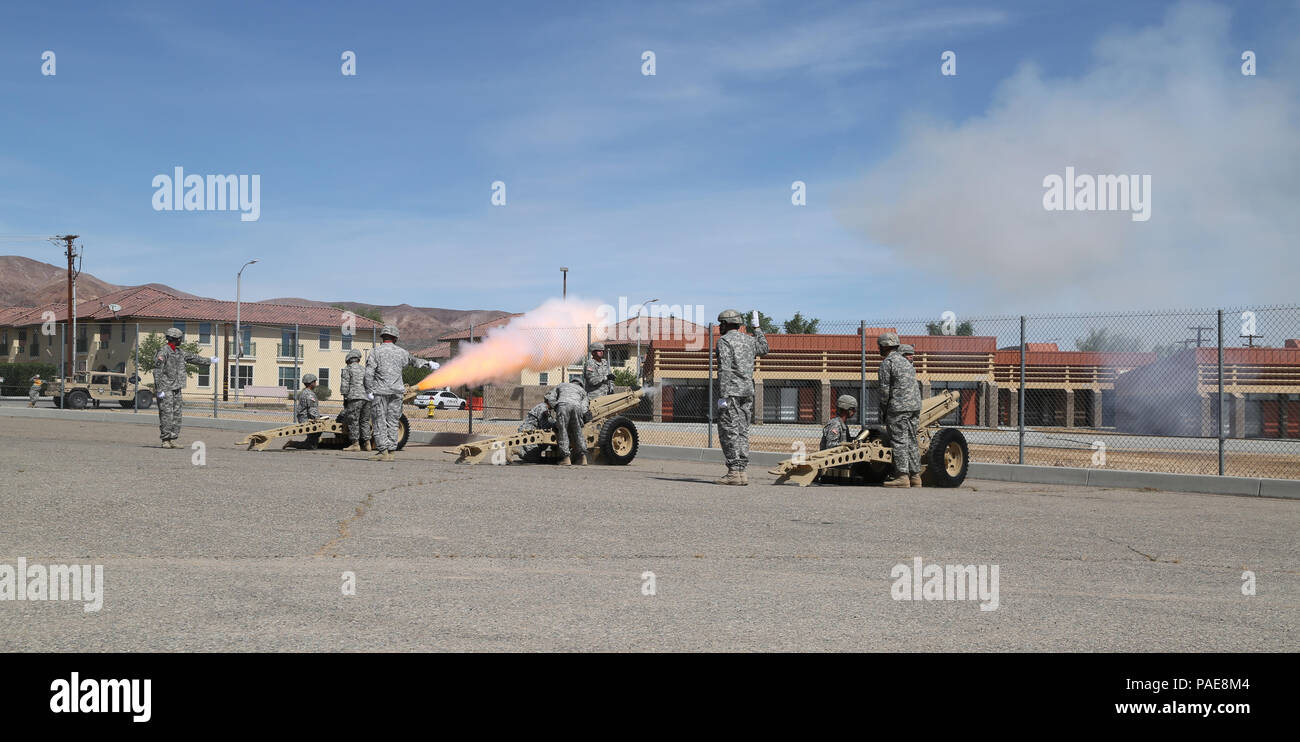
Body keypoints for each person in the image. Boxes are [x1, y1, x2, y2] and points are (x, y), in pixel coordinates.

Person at [364, 324, 435, 462]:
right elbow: (415, 362)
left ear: (383, 336)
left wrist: (368, 390)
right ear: (395, 338)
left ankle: (382, 451)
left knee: (379, 421)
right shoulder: (402, 352)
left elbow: (368, 373)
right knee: (393, 421)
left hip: (381, 392)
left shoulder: (375, 352)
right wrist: (429, 364)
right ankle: (391, 452)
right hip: (397, 392)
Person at [714, 309, 770, 485]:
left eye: (721, 323)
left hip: (730, 393)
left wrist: (722, 397)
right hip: (747, 393)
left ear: (727, 324)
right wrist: (757, 328)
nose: (720, 326)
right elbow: (764, 349)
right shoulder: (749, 340)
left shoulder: (724, 341)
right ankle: (741, 472)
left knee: (728, 431)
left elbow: (725, 369)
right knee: (742, 431)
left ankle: (733, 473)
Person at [152, 327, 218, 449]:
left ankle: (173, 438)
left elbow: (195, 358)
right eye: (179, 339)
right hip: (165, 388)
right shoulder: (163, 352)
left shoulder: (180, 352)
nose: (180, 341)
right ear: (174, 339)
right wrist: (159, 389)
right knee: (166, 414)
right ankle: (165, 439)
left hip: (177, 387)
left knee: (177, 414)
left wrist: (210, 360)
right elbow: (157, 371)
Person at [877, 332, 922, 487]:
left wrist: (883, 409)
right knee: (912, 440)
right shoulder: (906, 362)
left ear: (884, 346)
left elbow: (884, 391)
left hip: (898, 408)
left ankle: (902, 476)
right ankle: (916, 476)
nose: (879, 349)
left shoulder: (887, 363)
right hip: (914, 407)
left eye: (880, 347)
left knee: (899, 441)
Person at [543, 381, 589, 466]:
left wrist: (556, 407)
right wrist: (580, 415)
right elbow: (585, 407)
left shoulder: (561, 385)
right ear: (580, 384)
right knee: (578, 432)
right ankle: (583, 459)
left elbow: (550, 397)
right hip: (577, 406)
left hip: (563, 405)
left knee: (563, 431)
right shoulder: (582, 390)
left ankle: (566, 459)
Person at [284, 374, 330, 449]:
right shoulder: (309, 395)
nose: (316, 383)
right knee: (311, 445)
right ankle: (292, 443)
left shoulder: (304, 392)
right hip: (307, 419)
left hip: (304, 417)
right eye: (314, 382)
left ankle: (310, 441)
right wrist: (318, 419)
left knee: (313, 443)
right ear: (311, 383)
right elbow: (312, 410)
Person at [338, 349, 371, 451]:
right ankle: (367, 444)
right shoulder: (364, 369)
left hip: (354, 398)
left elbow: (344, 386)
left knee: (353, 420)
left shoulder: (347, 369)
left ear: (349, 359)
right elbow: (370, 384)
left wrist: (345, 398)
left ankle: (355, 444)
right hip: (366, 398)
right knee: (364, 421)